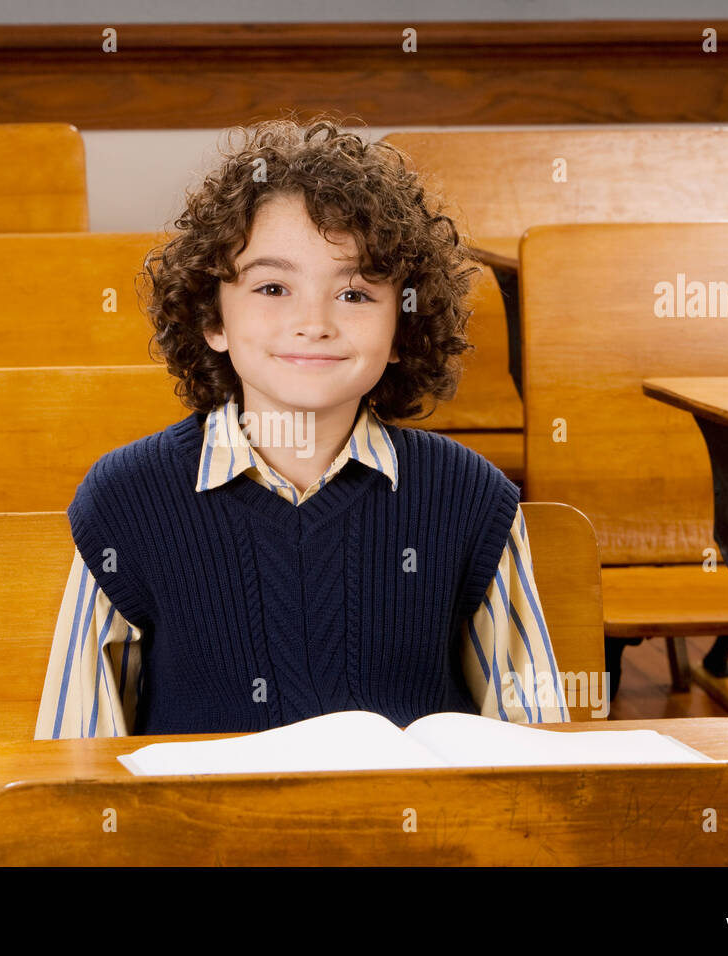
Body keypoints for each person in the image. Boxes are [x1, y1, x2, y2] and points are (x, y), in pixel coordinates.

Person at [35, 114, 568, 739]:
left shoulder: (468, 497)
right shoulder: (129, 499)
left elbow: (536, 745)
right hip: (200, 834)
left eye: (354, 295)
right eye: (272, 287)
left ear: (402, 329)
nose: (313, 322)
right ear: (213, 319)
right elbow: (76, 753)